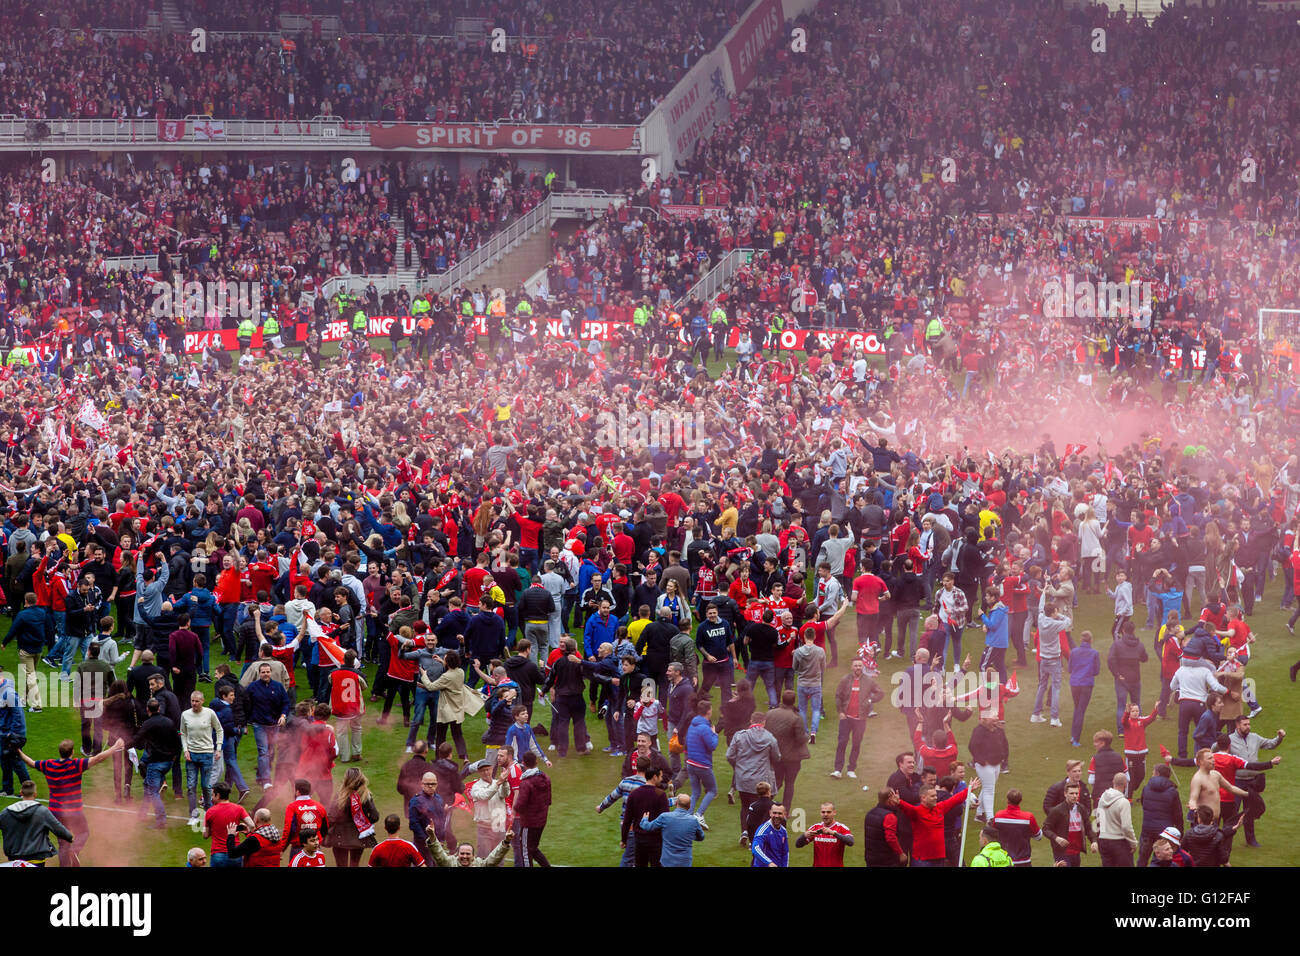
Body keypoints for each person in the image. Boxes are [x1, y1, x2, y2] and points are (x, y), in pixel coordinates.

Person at [19, 737, 122, 867]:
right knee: (83, 833)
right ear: (72, 752)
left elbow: (31, 763)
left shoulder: (49, 765)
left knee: (63, 843)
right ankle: (74, 851)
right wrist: (114, 747)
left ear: (60, 752)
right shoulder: (76, 764)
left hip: (55, 813)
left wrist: (18, 751)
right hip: (74, 812)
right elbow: (98, 758)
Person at [726, 715, 781, 846]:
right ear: (764, 723)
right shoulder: (769, 737)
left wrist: (738, 766)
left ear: (751, 721)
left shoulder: (739, 735)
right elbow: (777, 757)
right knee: (762, 810)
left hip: (744, 778)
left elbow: (729, 755)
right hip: (763, 780)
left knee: (745, 806)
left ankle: (745, 831)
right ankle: (756, 837)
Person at [898, 779, 978, 867]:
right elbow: (905, 807)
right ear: (923, 798)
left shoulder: (940, 807)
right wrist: (898, 802)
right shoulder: (916, 812)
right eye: (932, 796)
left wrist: (969, 789)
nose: (936, 798)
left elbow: (955, 799)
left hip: (939, 859)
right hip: (922, 860)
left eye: (936, 795)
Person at [830, 659, 883, 780]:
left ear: (863, 667)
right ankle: (838, 770)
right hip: (846, 718)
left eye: (860, 665)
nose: (858, 667)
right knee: (842, 743)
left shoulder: (869, 681)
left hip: (860, 719)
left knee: (856, 744)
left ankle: (851, 769)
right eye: (855, 665)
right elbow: (838, 696)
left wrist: (870, 701)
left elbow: (880, 693)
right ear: (851, 667)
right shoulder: (845, 679)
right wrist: (841, 712)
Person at [0, 780, 73, 865]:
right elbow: (58, 828)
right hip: (37, 860)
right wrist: (70, 837)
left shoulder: (6, 812)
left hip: (15, 861)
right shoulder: (42, 811)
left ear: (21, 793)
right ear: (35, 794)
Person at [180, 690, 224, 822]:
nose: (194, 703)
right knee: (191, 786)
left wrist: (219, 748)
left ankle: (208, 813)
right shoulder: (185, 715)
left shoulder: (210, 713)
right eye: (192, 701)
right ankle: (193, 815)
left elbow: (219, 729)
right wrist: (185, 750)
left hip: (206, 753)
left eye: (197, 701)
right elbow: (182, 733)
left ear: (202, 701)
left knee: (206, 786)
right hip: (191, 755)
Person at [324, 767, 379, 867]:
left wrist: (324, 831)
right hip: (359, 836)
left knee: (341, 865)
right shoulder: (366, 795)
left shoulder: (340, 795)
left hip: (339, 836)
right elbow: (375, 816)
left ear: (346, 779)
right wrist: (364, 822)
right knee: (354, 864)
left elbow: (332, 817)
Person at [764, 689, 811, 806]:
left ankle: (764, 802)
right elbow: (800, 738)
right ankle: (785, 810)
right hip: (792, 757)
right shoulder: (796, 718)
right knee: (789, 784)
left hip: (775, 755)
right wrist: (807, 736)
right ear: (794, 701)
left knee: (777, 782)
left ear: (782, 700)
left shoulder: (770, 714)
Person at [639, 792, 705, 867]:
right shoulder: (693, 820)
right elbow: (701, 837)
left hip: (667, 861)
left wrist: (644, 819)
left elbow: (648, 827)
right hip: (684, 862)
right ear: (689, 806)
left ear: (676, 803)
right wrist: (689, 836)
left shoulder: (665, 817)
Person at [1041, 780, 1098, 867]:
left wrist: (1094, 841)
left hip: (1076, 852)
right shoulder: (1057, 810)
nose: (1074, 796)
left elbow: (1088, 828)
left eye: (1076, 793)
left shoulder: (1081, 809)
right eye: (1071, 793)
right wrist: (1056, 838)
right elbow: (1045, 829)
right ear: (1065, 794)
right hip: (1061, 853)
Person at [1137, 763, 1183, 867]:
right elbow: (1178, 815)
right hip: (1164, 832)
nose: (1152, 775)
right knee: (1161, 860)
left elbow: (1144, 805)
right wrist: (1180, 832)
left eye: (1153, 773)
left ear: (1157, 773)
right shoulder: (1173, 792)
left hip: (1147, 830)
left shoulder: (1146, 788)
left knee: (1142, 859)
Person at [623, 764, 670, 867]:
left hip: (639, 839)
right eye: (660, 776)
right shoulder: (660, 794)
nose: (661, 779)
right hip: (656, 840)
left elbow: (627, 818)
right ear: (654, 777)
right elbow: (666, 820)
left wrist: (623, 839)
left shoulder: (634, 794)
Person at [684, 699, 719, 829]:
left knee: (695, 792)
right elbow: (712, 746)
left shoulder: (692, 725)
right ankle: (699, 815)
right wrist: (714, 734)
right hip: (702, 765)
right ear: (708, 711)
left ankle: (687, 816)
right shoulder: (705, 728)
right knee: (712, 790)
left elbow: (687, 743)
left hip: (690, 763)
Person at [513, 750, 552, 866]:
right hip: (542, 821)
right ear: (536, 762)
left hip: (529, 823)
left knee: (525, 851)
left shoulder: (526, 783)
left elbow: (520, 804)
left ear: (523, 763)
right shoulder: (545, 778)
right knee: (533, 848)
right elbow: (549, 800)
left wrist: (514, 809)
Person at [202, 781, 252, 868]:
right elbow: (251, 825)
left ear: (218, 795)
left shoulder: (210, 811)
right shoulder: (239, 808)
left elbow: (205, 835)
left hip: (218, 854)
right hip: (236, 853)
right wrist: (242, 829)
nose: (212, 797)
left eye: (213, 795)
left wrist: (211, 826)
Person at [1095, 772, 1138, 866]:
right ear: (1126, 784)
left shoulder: (1102, 797)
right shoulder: (1124, 802)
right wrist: (1133, 843)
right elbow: (1126, 827)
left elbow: (1097, 818)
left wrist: (1098, 837)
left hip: (1103, 841)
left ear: (1113, 782)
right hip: (1119, 843)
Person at [991, 789, 1041, 867]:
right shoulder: (1028, 817)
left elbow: (992, 835)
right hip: (1024, 862)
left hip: (1003, 861)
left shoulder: (998, 816)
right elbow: (1039, 836)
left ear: (1007, 800)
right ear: (1020, 800)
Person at [1066, 630, 1100, 746]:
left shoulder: (1074, 652)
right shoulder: (1094, 653)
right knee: (1080, 710)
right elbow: (1096, 671)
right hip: (1086, 684)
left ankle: (1073, 735)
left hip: (1074, 683)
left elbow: (1069, 668)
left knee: (1077, 708)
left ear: (1081, 640)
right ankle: (1075, 738)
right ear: (1091, 640)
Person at [795, 802, 853, 866]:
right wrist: (804, 836)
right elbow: (798, 845)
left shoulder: (841, 828)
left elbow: (850, 842)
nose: (825, 814)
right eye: (823, 812)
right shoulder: (815, 827)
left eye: (828, 812)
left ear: (834, 813)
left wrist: (834, 833)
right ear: (820, 813)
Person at [863, 787, 909, 867]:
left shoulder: (870, 813)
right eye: (894, 796)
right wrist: (901, 853)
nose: (896, 797)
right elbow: (891, 838)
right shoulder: (889, 816)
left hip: (871, 858)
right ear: (889, 799)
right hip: (886, 860)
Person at [428, 832, 512, 867]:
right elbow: (439, 856)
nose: (465, 856)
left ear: (473, 856)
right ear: (457, 854)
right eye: (462, 853)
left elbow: (494, 858)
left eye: (468, 854)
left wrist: (506, 842)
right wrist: (432, 837)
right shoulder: (451, 863)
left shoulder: (479, 864)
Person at [750, 803, 789, 867]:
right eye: (774, 813)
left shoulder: (783, 831)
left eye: (780, 813)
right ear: (770, 813)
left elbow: (785, 853)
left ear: (784, 814)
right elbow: (755, 848)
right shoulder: (764, 830)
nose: (776, 816)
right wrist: (769, 863)